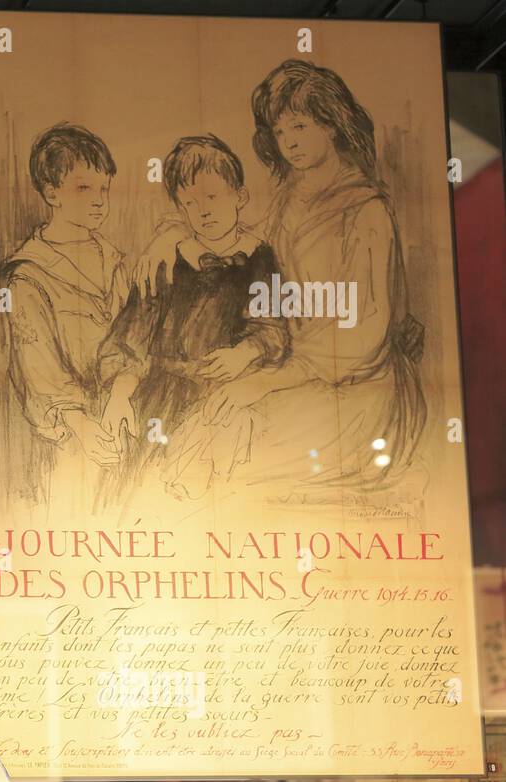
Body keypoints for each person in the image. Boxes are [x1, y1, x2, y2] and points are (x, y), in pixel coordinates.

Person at [132, 60, 425, 496]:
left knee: (220, 453)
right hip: (288, 368)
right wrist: (172, 234)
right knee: (195, 433)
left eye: (300, 126)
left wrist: (269, 378)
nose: (288, 142)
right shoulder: (291, 198)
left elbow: (365, 334)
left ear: (332, 124)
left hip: (356, 389)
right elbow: (243, 245)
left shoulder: (367, 210)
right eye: (280, 131)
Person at [98, 134, 285, 502]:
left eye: (213, 197)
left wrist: (244, 352)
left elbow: (271, 329)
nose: (203, 211)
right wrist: (120, 391)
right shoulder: (165, 261)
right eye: (189, 203)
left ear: (240, 198)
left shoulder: (258, 260)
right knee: (135, 489)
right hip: (160, 395)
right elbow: (131, 334)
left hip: (223, 397)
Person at [0, 123, 126, 507]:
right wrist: (81, 422)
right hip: (67, 435)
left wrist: (123, 395)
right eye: (84, 188)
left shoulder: (113, 261)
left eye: (103, 189)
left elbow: (134, 337)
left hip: (122, 417)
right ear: (51, 192)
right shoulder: (29, 273)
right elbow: (37, 366)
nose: (99, 201)